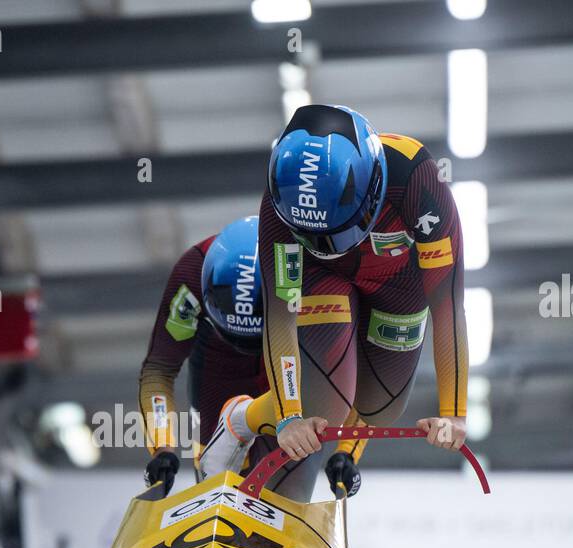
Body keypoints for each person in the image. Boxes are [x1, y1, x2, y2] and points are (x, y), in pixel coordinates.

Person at [199, 104, 469, 501]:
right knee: (324, 407)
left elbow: (447, 304)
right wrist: (290, 416)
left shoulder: (417, 182)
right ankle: (242, 418)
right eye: (314, 233)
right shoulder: (279, 206)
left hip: (399, 280)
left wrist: (455, 411)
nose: (329, 245)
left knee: (381, 408)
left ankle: (301, 421)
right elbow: (281, 316)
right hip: (321, 276)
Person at [137, 217, 267, 496]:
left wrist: (346, 449)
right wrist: (163, 447)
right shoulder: (190, 278)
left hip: (278, 373)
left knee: (278, 482)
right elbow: (160, 369)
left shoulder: (301, 271)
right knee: (215, 484)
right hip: (215, 382)